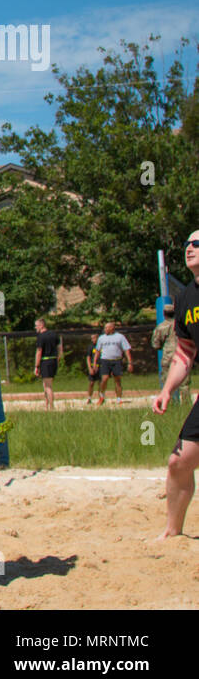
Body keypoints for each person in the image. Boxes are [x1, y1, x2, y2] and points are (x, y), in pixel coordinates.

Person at [152, 231, 199, 539]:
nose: (189, 248)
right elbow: (185, 350)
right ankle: (173, 533)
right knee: (179, 461)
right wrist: (167, 389)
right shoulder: (185, 298)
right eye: (187, 244)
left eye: (197, 243)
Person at [92, 320, 133, 406]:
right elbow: (97, 351)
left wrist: (130, 362)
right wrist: (94, 363)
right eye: (105, 328)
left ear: (112, 328)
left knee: (117, 380)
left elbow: (126, 350)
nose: (105, 329)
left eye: (107, 327)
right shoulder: (101, 338)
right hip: (105, 360)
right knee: (104, 379)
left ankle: (119, 399)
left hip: (116, 360)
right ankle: (101, 396)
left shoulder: (120, 337)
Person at [152, 304, 184, 404]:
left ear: (164, 314)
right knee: (184, 383)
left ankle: (170, 403)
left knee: (167, 382)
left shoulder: (161, 327)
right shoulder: (182, 325)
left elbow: (156, 344)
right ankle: (186, 404)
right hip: (183, 355)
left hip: (168, 356)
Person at [33, 318, 62, 410]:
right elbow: (60, 349)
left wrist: (36, 366)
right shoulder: (54, 335)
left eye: (36, 325)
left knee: (48, 386)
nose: (35, 327)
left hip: (45, 361)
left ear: (42, 325)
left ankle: (51, 407)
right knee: (45, 384)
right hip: (54, 360)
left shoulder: (41, 337)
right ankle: (47, 405)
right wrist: (58, 359)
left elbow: (39, 351)